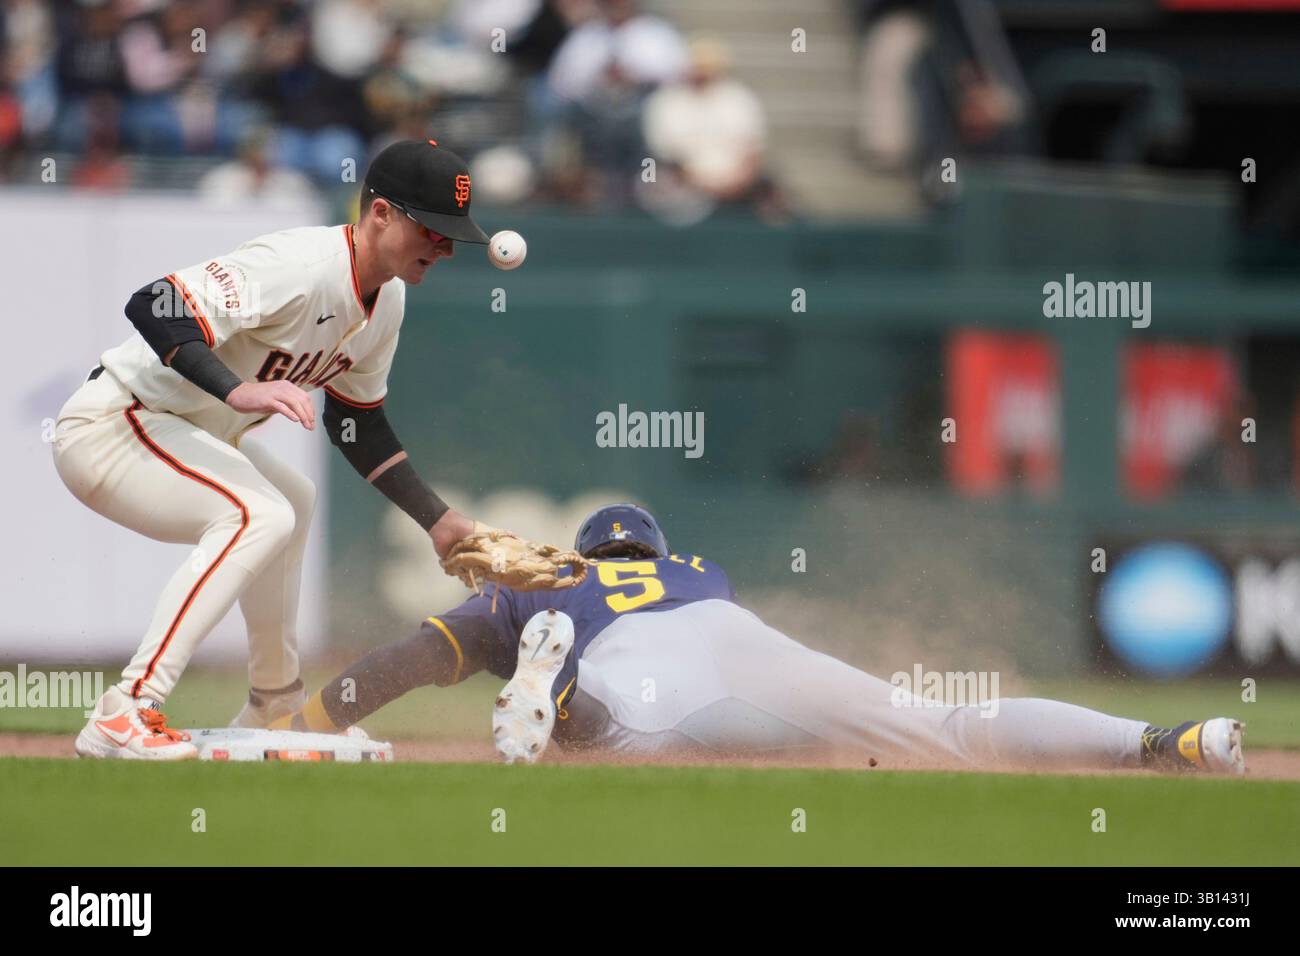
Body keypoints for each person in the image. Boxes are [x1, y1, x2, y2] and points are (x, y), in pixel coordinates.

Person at [53, 139, 517, 760]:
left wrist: (437, 520)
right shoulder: (299, 266)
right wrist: (236, 389)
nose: (444, 247)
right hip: (117, 422)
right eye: (432, 229)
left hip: (183, 431)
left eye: (453, 235)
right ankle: (129, 707)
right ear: (381, 213)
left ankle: (273, 702)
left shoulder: (389, 299)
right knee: (258, 513)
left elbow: (357, 423)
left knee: (292, 501)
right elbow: (153, 304)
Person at [274, 503, 1247, 776]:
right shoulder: (699, 569)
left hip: (633, 669)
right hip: (741, 643)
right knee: (946, 726)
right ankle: (1164, 743)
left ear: (583, 549)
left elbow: (399, 665)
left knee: (621, 740)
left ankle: (564, 703)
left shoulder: (537, 583)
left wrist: (305, 722)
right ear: (653, 549)